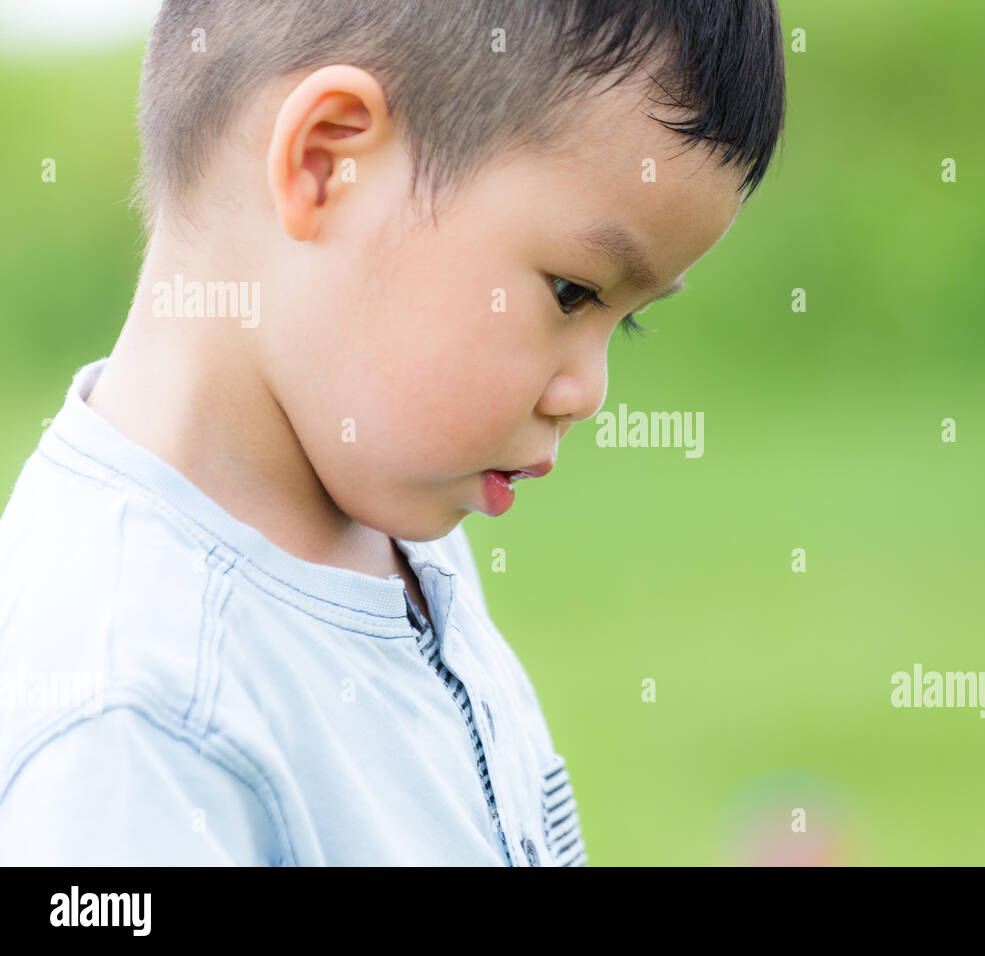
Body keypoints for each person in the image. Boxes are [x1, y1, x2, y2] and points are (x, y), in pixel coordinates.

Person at [0, 0, 786, 865]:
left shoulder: (392, 521)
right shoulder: (134, 730)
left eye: (625, 322)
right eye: (573, 292)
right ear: (327, 162)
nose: (589, 393)